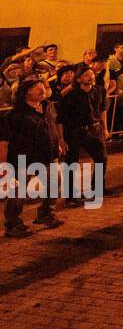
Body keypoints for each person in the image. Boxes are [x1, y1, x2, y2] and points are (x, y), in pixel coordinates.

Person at [1, 79, 63, 236]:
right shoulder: (15, 115)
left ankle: (46, 213)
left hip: (47, 155)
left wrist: (58, 143)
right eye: (36, 88)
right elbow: (4, 142)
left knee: (55, 183)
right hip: (24, 159)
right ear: (26, 92)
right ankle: (13, 223)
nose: (42, 89)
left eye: (43, 87)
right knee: (19, 193)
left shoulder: (47, 107)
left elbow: (51, 127)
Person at [58, 68, 108, 202]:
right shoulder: (70, 94)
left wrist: (105, 128)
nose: (90, 77)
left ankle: (97, 187)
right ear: (79, 79)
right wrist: (61, 138)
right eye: (86, 75)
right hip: (74, 130)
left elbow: (102, 110)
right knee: (72, 162)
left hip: (93, 129)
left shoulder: (100, 90)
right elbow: (61, 118)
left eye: (92, 74)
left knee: (101, 158)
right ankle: (70, 194)